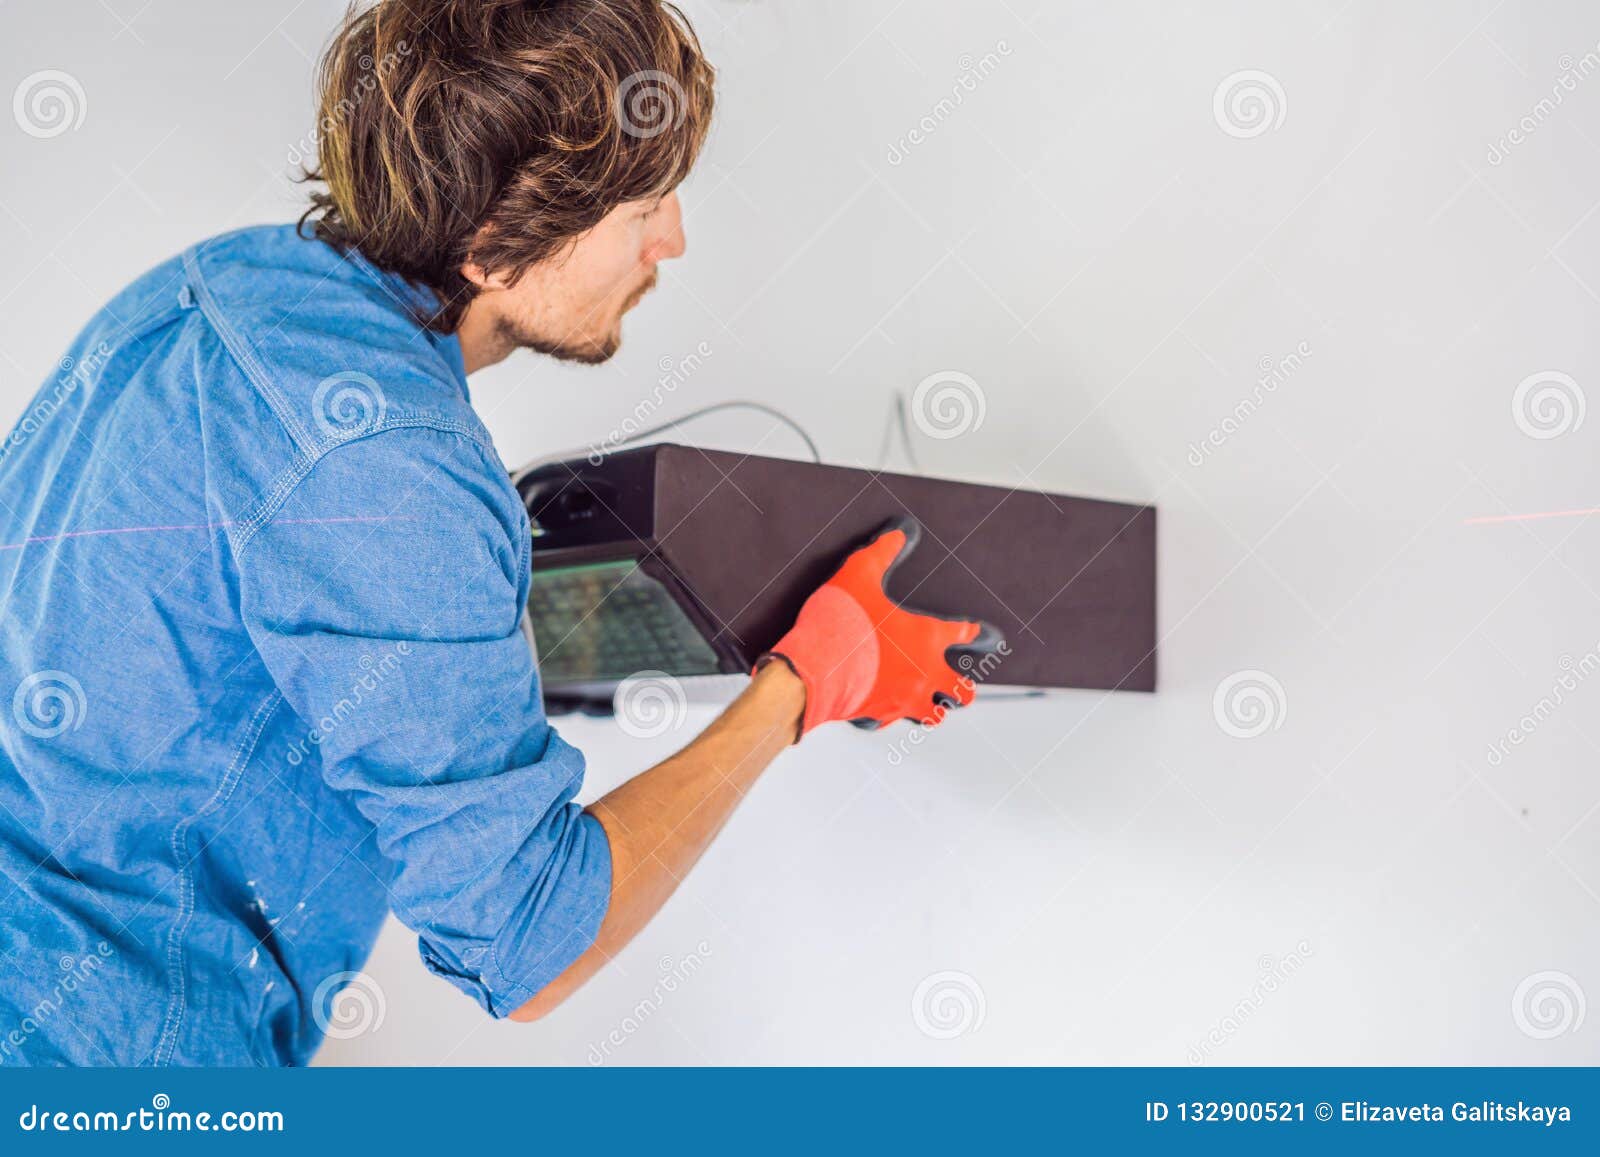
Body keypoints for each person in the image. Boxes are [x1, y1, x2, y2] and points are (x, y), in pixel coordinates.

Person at [0, 0, 998, 1066]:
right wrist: (804, 682)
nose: (672, 240)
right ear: (492, 244)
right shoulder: (391, 465)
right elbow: (528, 944)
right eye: (641, 206)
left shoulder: (229, 281)